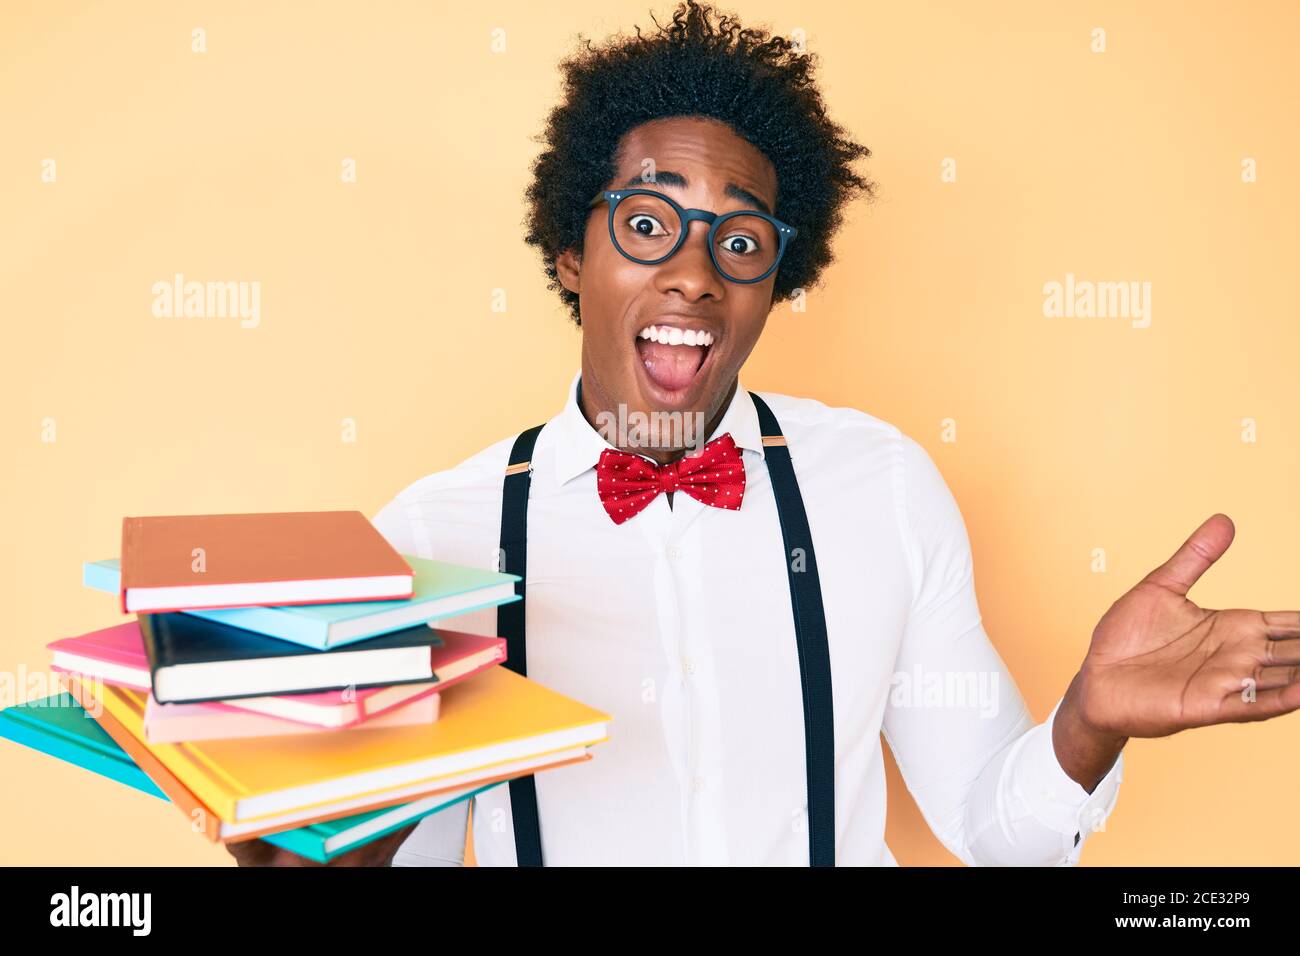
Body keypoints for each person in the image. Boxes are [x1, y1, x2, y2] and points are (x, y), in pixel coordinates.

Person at [227, 0, 1300, 867]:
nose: (693, 271)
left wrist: (1085, 722)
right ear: (569, 253)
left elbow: (990, 828)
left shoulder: (880, 485)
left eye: (739, 239)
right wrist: (313, 833)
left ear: (773, 279)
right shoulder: (427, 537)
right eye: (647, 224)